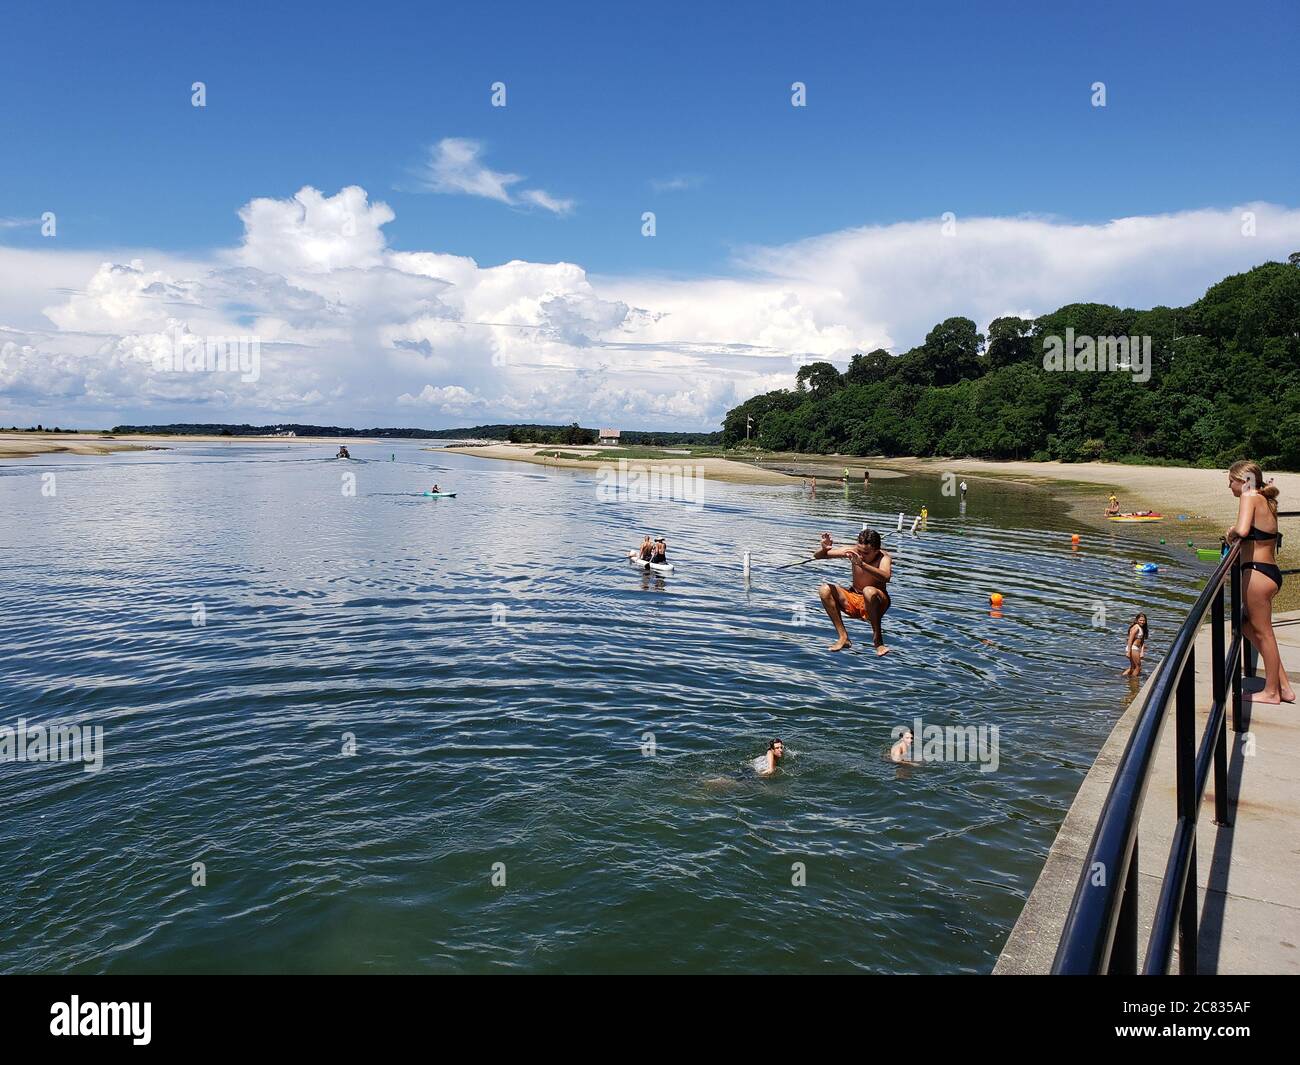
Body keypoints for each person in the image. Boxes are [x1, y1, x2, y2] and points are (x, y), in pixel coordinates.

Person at [1226, 460, 1294, 703]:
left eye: (1231, 481)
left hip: (1257, 574)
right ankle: (1283, 686)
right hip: (1269, 572)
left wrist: (1231, 531)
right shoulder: (1264, 498)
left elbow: (1243, 531)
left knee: (1264, 634)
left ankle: (1272, 692)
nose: (1229, 487)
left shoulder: (1249, 496)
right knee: (1246, 625)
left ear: (1244, 481)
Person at [813, 528, 893, 654]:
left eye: (865, 553)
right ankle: (843, 637)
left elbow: (886, 577)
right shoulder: (854, 551)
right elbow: (818, 556)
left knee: (868, 591)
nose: (860, 555)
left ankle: (878, 642)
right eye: (859, 551)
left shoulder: (884, 557)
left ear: (876, 551)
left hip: (876, 602)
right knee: (824, 589)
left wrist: (862, 565)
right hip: (855, 599)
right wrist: (824, 549)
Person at [1121, 613, 1148, 678]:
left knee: (1133, 667)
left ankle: (1122, 677)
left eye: (1144, 620)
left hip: (1135, 648)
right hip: (1133, 648)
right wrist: (1128, 652)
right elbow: (1130, 640)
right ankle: (1133, 681)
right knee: (1138, 667)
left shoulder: (1142, 628)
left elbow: (1142, 641)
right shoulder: (1136, 627)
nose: (1142, 622)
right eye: (1140, 620)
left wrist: (1142, 652)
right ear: (1137, 620)